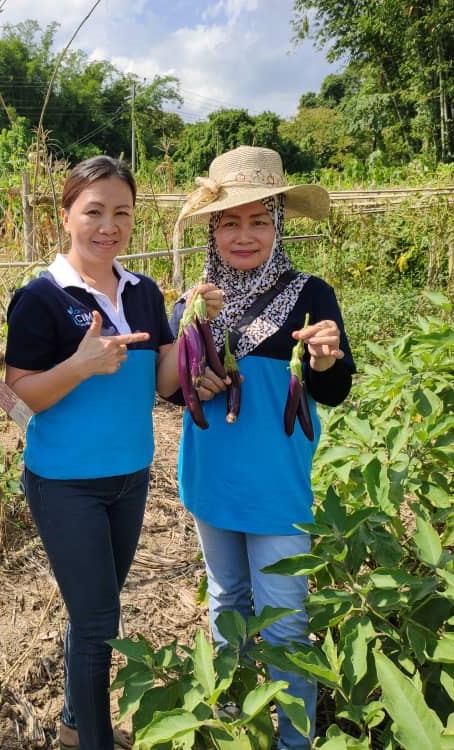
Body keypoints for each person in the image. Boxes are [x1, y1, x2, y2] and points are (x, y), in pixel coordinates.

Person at [4, 156, 222, 750]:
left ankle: (77, 725)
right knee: (101, 623)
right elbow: (17, 400)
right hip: (65, 483)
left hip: (130, 476)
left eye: (121, 212)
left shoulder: (145, 292)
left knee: (92, 613)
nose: (108, 225)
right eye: (93, 211)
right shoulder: (40, 299)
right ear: (65, 215)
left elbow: (165, 384)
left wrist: (195, 326)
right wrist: (78, 366)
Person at [170, 145, 354, 749]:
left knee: (285, 620)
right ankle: (234, 718)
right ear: (213, 231)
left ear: (279, 223)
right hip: (211, 477)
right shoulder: (193, 303)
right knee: (227, 599)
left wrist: (326, 358)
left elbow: (333, 389)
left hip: (278, 483)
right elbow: (176, 391)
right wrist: (195, 367)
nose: (244, 234)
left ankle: (293, 740)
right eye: (230, 221)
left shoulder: (311, 294)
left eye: (259, 219)